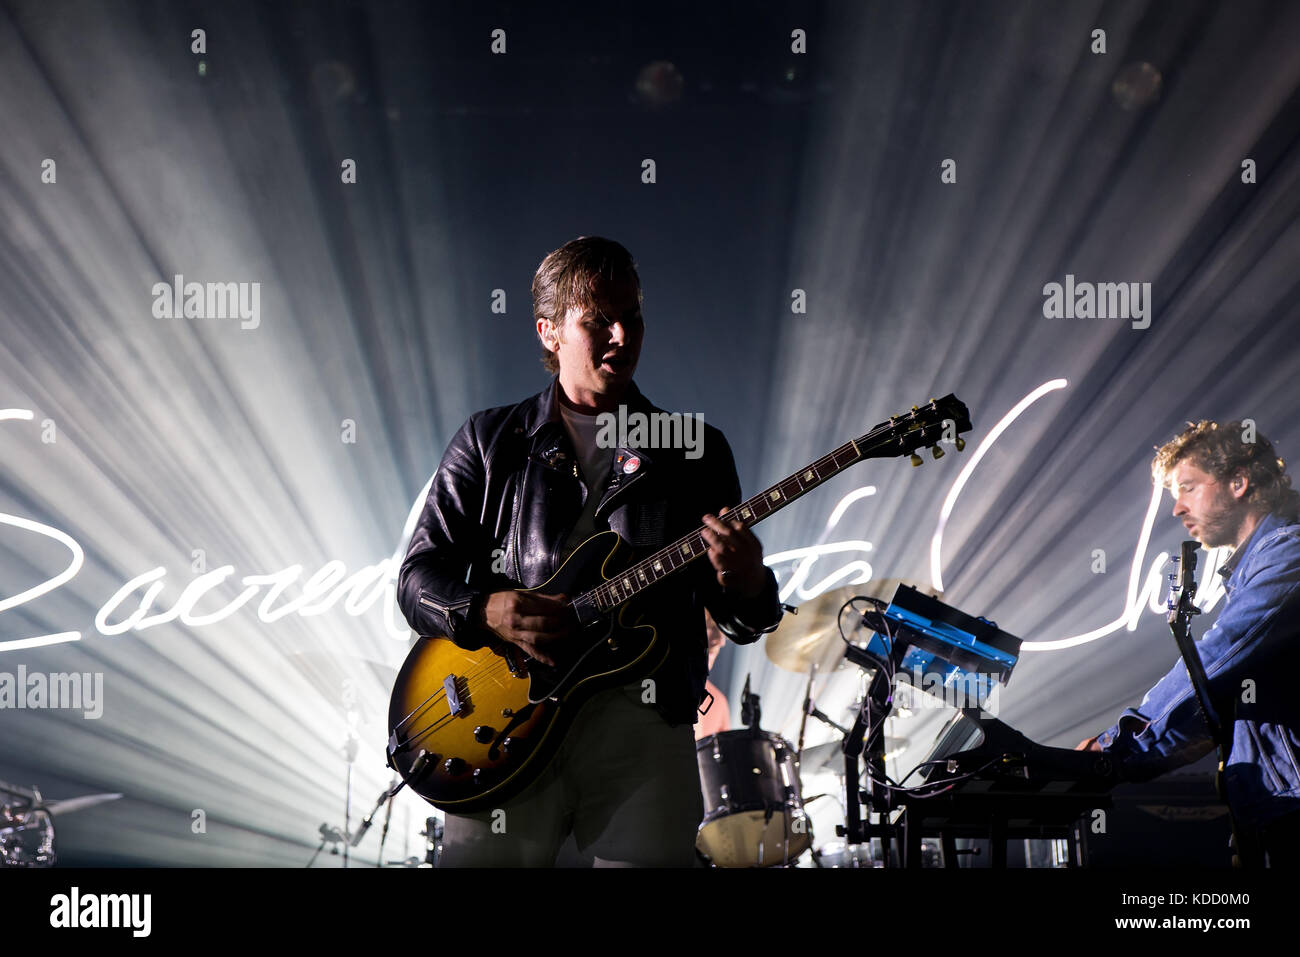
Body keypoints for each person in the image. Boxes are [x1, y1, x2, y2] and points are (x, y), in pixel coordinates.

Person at [396, 236, 781, 866]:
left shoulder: (693, 449)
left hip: (641, 726)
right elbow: (417, 578)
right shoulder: (491, 440)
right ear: (549, 332)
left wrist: (744, 580)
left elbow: (740, 619)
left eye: (632, 316)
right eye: (598, 319)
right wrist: (485, 610)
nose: (622, 334)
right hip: (505, 721)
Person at [1077, 420, 1300, 865]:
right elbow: (1217, 704)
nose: (1177, 508)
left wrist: (1115, 746)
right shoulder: (1256, 565)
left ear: (1238, 482)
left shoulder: (1289, 555)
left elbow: (1217, 659)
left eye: (1189, 488)